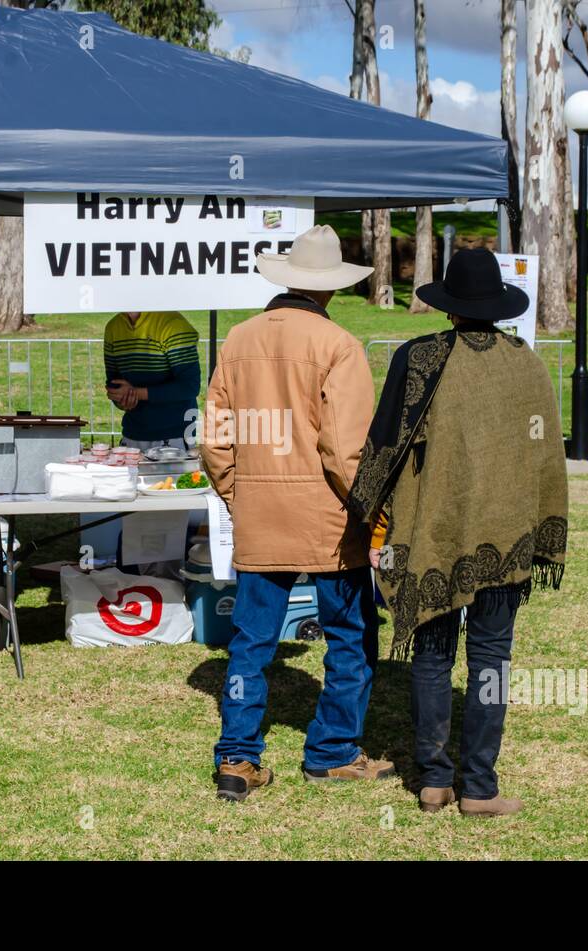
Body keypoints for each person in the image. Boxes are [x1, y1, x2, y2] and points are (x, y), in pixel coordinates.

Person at [346, 248, 569, 817]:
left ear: (449, 308)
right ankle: (480, 788)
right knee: (492, 658)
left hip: (435, 531)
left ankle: (433, 781)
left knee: (432, 653)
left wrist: (360, 510)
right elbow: (545, 456)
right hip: (505, 534)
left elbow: (386, 444)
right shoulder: (526, 362)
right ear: (496, 306)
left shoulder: (420, 357)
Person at [201, 224, 393, 802]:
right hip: (330, 518)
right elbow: (346, 450)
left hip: (261, 513)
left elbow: (214, 440)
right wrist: (373, 512)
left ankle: (237, 757)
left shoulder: (238, 339)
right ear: (330, 289)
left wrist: (242, 494)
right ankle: (332, 751)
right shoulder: (339, 346)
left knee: (251, 640)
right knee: (351, 637)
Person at [103, 310, 200, 451]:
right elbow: (114, 384)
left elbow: (190, 386)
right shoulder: (113, 327)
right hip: (132, 434)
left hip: (174, 436)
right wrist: (122, 399)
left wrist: (136, 393)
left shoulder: (173, 324)